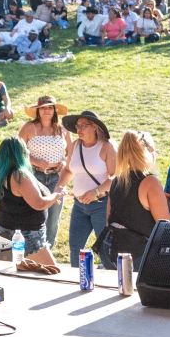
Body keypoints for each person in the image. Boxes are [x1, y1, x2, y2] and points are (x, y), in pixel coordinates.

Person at [0, 136, 62, 273]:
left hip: (7, 229)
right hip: (26, 236)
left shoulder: (0, 173)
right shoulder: (20, 175)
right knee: (53, 273)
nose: (29, 152)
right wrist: (56, 195)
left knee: (20, 273)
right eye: (26, 149)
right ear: (20, 153)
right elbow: (39, 203)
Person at [106, 130, 170, 265]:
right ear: (148, 152)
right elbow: (165, 227)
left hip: (112, 250)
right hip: (140, 255)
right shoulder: (150, 182)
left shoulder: (116, 181)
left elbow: (108, 219)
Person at [59, 109, 115, 265]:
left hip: (101, 205)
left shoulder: (106, 147)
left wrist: (96, 192)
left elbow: (115, 176)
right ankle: (76, 281)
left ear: (95, 127)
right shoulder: (75, 145)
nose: (79, 129)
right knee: (75, 248)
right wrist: (59, 187)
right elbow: (69, 169)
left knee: (105, 249)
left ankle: (111, 282)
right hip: (79, 205)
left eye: (84, 125)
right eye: (78, 126)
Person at [18, 96, 69, 251]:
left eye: (50, 107)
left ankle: (48, 249)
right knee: (34, 213)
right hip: (34, 175)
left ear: (54, 111)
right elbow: (17, 150)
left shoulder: (62, 129)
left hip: (56, 177)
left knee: (53, 217)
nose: (47, 110)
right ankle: (31, 248)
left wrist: (64, 163)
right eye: (43, 108)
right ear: (38, 111)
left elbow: (71, 153)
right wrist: (35, 161)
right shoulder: (28, 127)